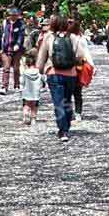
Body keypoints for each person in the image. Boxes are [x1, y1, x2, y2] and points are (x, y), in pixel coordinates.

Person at [35, 14, 91, 142]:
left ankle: (63, 130)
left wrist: (39, 70)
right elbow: (81, 55)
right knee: (67, 99)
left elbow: (41, 57)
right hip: (70, 74)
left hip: (53, 73)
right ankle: (67, 122)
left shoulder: (48, 37)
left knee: (58, 101)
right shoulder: (73, 37)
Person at [68, 19, 91, 122]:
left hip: (66, 67)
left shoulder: (65, 37)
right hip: (78, 66)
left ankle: (70, 112)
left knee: (67, 92)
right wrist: (91, 65)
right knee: (77, 92)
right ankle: (78, 112)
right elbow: (85, 53)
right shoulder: (80, 38)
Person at [0, 7, 26, 95]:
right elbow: (1, 36)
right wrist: (0, 47)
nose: (13, 17)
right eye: (12, 15)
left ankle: (17, 85)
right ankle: (4, 87)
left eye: (15, 15)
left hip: (16, 50)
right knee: (6, 68)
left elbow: (21, 36)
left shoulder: (21, 24)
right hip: (6, 49)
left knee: (16, 68)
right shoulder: (4, 23)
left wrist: (18, 44)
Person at [20, 53, 42, 126]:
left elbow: (22, 82)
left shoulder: (25, 72)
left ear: (27, 63)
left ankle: (25, 115)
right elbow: (42, 80)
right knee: (34, 106)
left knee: (26, 105)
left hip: (27, 92)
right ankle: (33, 119)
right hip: (36, 92)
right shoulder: (38, 72)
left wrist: (21, 87)